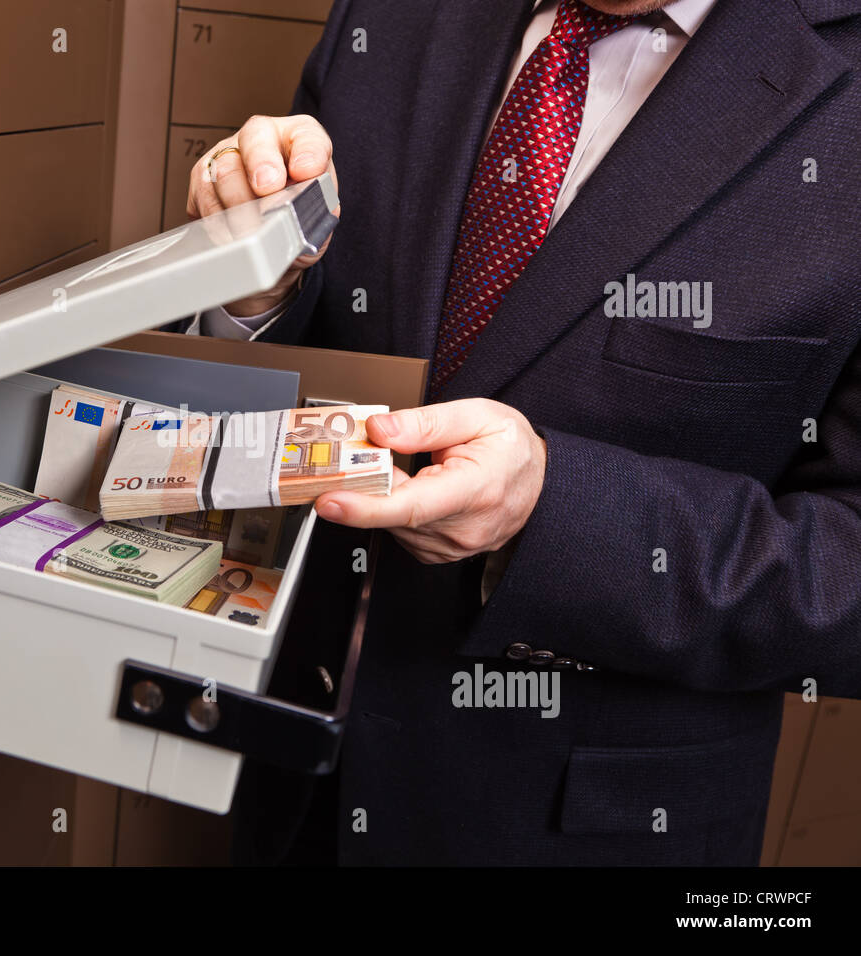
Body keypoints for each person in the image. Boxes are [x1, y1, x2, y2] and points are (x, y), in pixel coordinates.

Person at [184, 0, 861, 865]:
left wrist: (547, 516)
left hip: (573, 827)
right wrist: (252, 285)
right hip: (293, 772)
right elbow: (323, 335)